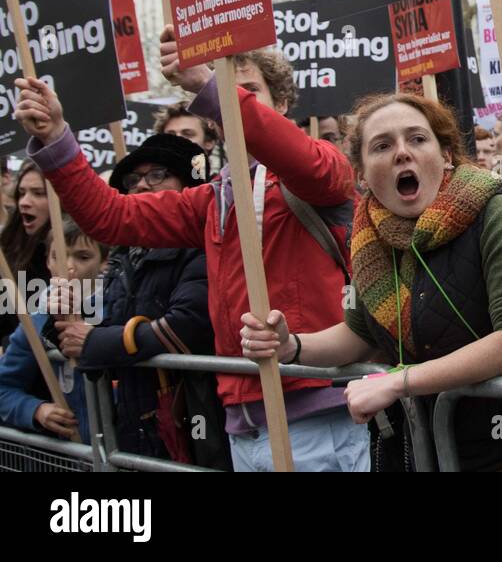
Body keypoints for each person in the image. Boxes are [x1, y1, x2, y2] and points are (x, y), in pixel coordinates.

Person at [15, 35, 368, 472]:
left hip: (313, 413)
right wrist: (57, 138)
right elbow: (112, 217)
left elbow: (309, 165)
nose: (231, 103)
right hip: (242, 422)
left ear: (280, 105)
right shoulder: (214, 197)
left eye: (247, 92)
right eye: (222, 92)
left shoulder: (322, 170)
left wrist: (207, 84)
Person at [239, 91, 502, 471]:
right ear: (363, 174)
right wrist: (290, 345)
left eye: (417, 139)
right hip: (427, 453)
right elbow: (360, 336)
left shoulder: (496, 213)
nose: (402, 152)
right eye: (382, 146)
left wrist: (398, 383)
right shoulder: (367, 236)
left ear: (446, 155)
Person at [61, 133, 229, 469]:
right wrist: (65, 323)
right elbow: (98, 326)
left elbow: (187, 326)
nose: (140, 186)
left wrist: (94, 342)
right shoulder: (124, 257)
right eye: (132, 179)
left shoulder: (205, 245)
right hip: (137, 427)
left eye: (157, 175)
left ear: (190, 187)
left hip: (198, 421)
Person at [0, 216, 108, 443]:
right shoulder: (36, 321)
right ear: (47, 261)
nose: (69, 266)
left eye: (83, 257)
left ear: (104, 262)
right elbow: (4, 388)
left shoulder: (118, 309)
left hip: (122, 450)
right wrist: (36, 410)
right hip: (75, 454)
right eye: (58, 256)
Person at [0, 161, 51, 347]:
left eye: (38, 193)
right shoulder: (8, 251)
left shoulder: (74, 254)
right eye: (21, 193)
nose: (25, 202)